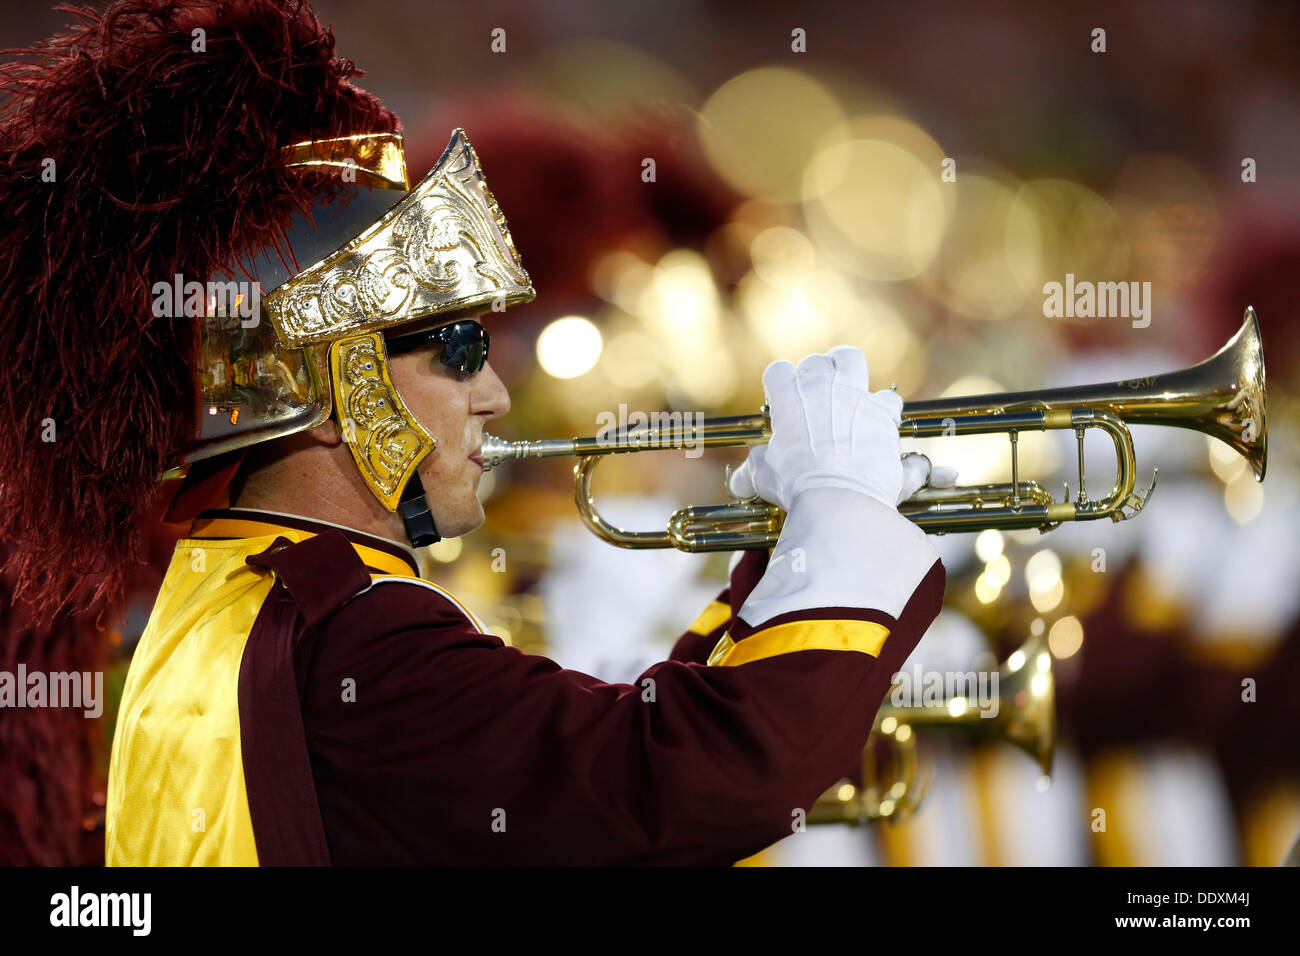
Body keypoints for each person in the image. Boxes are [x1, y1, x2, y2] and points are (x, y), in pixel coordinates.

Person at [0, 0, 947, 866]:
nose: (493, 393)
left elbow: (617, 761)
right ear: (331, 387)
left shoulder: (233, 584)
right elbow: (693, 778)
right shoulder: (357, 640)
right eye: (456, 352)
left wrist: (782, 571)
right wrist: (845, 512)